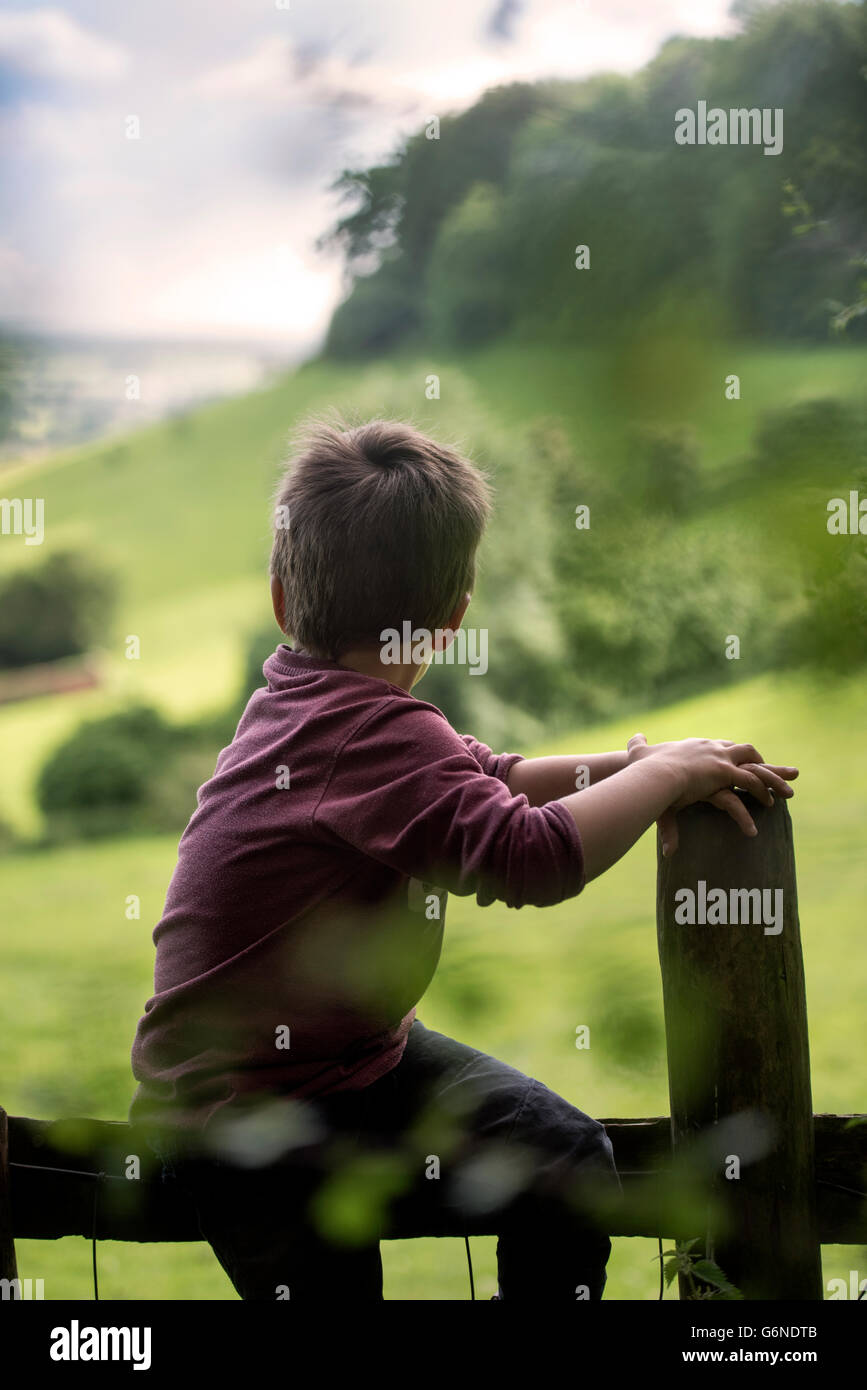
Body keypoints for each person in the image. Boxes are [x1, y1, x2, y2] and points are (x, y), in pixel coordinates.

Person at [128, 417, 798, 1301]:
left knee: (561, 1153)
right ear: (451, 620)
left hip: (351, 1063)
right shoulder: (362, 730)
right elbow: (530, 855)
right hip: (239, 1115)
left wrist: (637, 770)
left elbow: (495, 777)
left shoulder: (314, 700)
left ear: (283, 601)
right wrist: (665, 773)